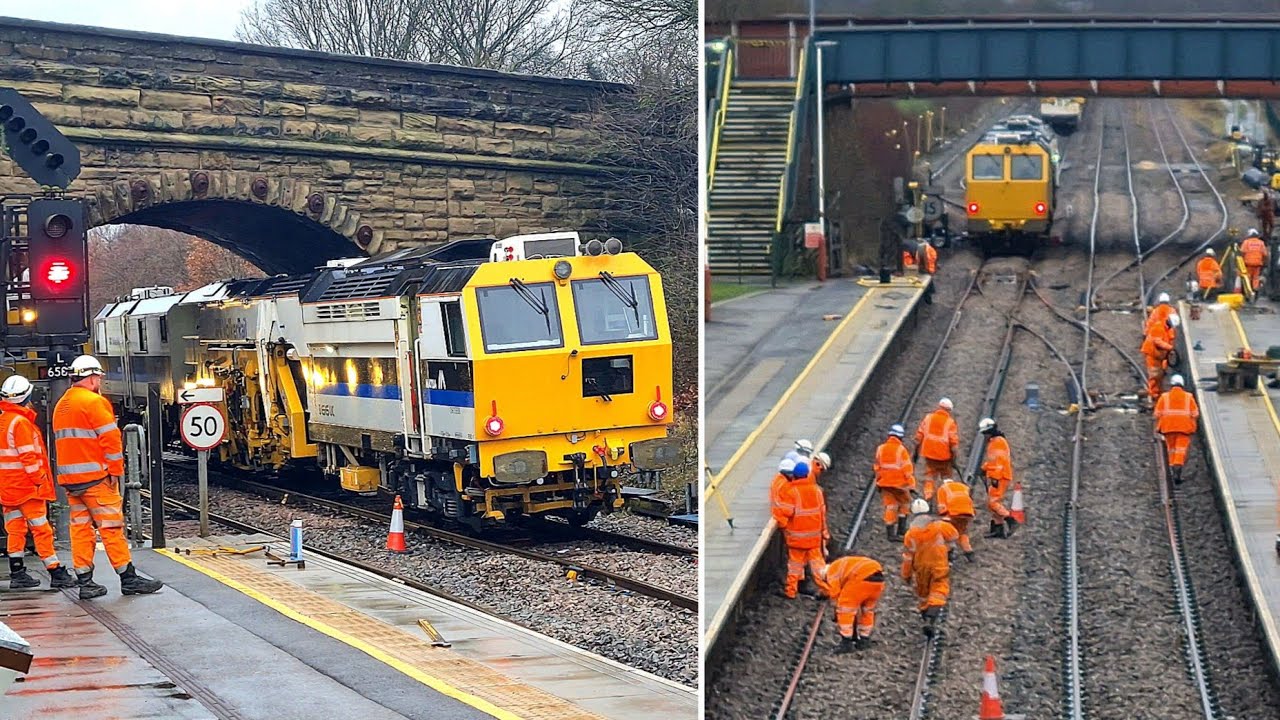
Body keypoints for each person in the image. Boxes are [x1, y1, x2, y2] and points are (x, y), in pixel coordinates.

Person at [52, 355, 162, 599]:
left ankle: (86, 582)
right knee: (111, 528)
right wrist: (116, 472)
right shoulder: (94, 402)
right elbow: (111, 441)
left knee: (81, 530)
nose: (99, 381)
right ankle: (128, 578)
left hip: (72, 483)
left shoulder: (62, 405)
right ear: (91, 378)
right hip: (96, 480)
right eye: (98, 377)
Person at [0, 375, 76, 590]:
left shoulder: (3, 421)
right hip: (27, 488)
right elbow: (29, 457)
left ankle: (17, 572)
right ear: (27, 396)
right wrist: (39, 481)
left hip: (7, 488)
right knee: (41, 529)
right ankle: (55, 570)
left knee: (15, 529)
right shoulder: (21, 423)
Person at [901, 498, 958, 637]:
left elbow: (908, 558)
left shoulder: (910, 534)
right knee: (939, 590)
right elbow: (954, 536)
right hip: (939, 565)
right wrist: (950, 551)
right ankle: (931, 618)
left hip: (920, 568)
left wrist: (906, 575)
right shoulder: (939, 526)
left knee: (923, 595)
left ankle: (926, 616)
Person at [775, 460, 828, 599]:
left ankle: (791, 591)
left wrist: (781, 523)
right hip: (814, 538)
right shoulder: (817, 491)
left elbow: (786, 512)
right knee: (818, 566)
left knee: (795, 565)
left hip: (797, 539)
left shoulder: (792, 492)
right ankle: (827, 589)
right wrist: (824, 533)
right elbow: (822, 512)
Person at [814, 552, 885, 653]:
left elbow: (834, 592)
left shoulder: (831, 572)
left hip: (861, 579)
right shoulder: (841, 565)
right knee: (867, 610)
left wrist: (836, 612)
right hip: (878, 581)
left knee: (845, 609)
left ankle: (846, 642)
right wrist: (823, 594)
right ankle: (864, 639)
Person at [874, 424, 916, 542]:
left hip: (884, 483)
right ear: (900, 437)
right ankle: (901, 530)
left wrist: (878, 481)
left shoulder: (880, 448)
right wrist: (911, 485)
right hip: (899, 484)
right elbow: (907, 469)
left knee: (890, 506)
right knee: (905, 503)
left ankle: (890, 534)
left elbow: (877, 467)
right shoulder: (901, 450)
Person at [1154, 374, 1199, 484]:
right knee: (1180, 451)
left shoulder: (1164, 397)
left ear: (1171, 385)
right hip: (1184, 428)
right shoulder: (1189, 397)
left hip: (1168, 428)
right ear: (1182, 385)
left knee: (1171, 450)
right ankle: (1177, 472)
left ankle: (1172, 469)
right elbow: (1195, 414)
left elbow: (1157, 414)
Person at [976, 418, 1017, 538]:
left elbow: (999, 462)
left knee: (993, 502)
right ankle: (997, 529)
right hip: (999, 475)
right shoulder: (995, 441)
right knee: (993, 502)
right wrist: (984, 468)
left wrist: (994, 477)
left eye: (985, 433)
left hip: (1000, 476)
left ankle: (1011, 520)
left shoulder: (997, 442)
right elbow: (992, 461)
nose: (984, 436)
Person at [914, 398, 959, 502]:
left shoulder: (928, 418)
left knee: (930, 477)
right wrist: (954, 459)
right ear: (949, 410)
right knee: (946, 478)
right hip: (944, 457)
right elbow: (954, 444)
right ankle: (946, 500)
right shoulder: (950, 422)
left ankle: (928, 496)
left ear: (938, 407)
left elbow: (919, 436)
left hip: (929, 454)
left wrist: (916, 452)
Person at [935, 476, 976, 561]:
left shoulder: (942, 488)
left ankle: (949, 552)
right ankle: (969, 552)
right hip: (968, 513)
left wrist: (942, 517)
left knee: (948, 532)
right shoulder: (964, 487)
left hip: (954, 513)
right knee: (962, 532)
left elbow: (942, 508)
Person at [1141, 315, 1178, 400]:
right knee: (1154, 374)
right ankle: (1153, 393)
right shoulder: (1159, 327)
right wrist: (1169, 348)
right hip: (1152, 354)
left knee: (1159, 374)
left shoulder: (1165, 328)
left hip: (1158, 355)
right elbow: (1157, 341)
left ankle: (1157, 392)